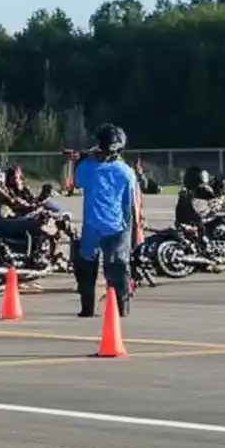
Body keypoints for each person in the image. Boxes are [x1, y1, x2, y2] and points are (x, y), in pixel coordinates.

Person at [70, 123, 138, 318]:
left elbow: (76, 182)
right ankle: (121, 308)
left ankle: (87, 308)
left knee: (85, 266)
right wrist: (132, 230)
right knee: (117, 267)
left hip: (92, 226)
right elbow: (130, 203)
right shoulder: (126, 171)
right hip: (116, 226)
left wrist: (81, 160)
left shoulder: (88, 167)